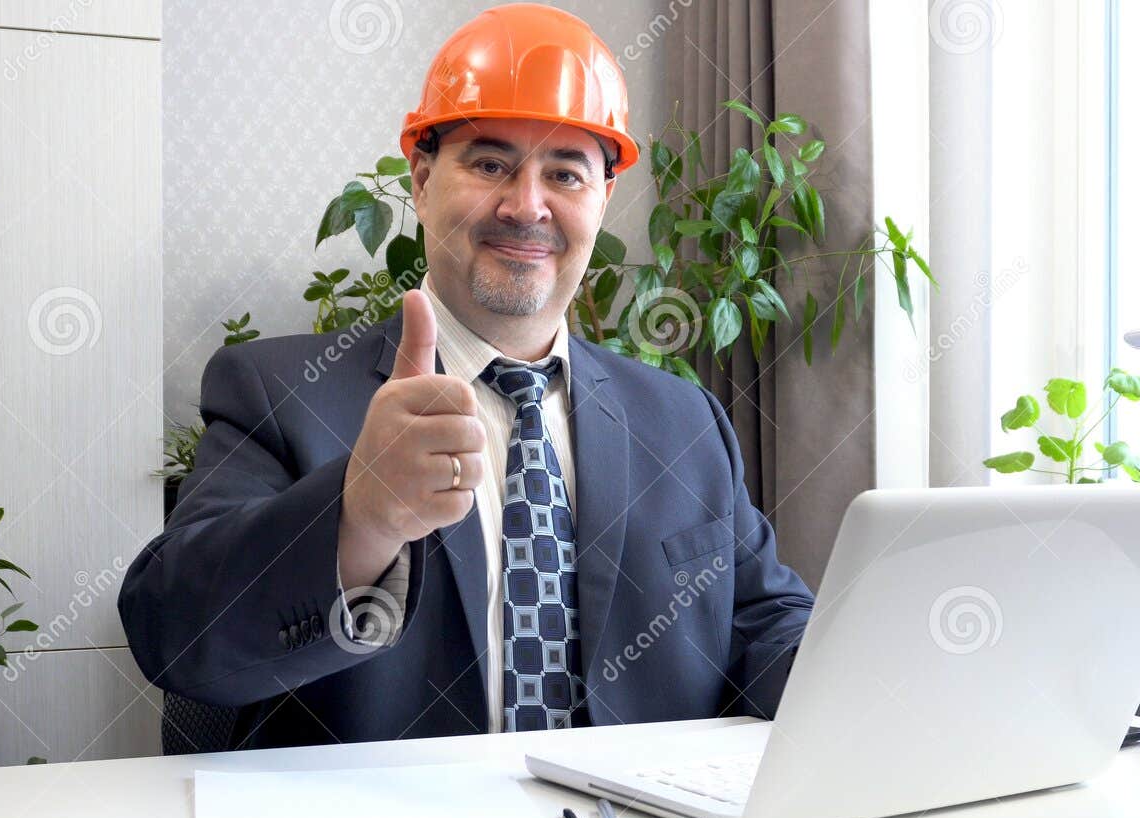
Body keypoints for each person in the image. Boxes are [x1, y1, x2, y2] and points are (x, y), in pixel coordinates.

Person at [118, 3, 815, 749]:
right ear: (421, 181)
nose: (527, 206)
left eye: (565, 174)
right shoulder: (279, 393)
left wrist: (886, 677)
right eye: (490, 164)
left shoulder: (685, 421)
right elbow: (176, 638)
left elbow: (765, 627)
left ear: (602, 202)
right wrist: (361, 517)